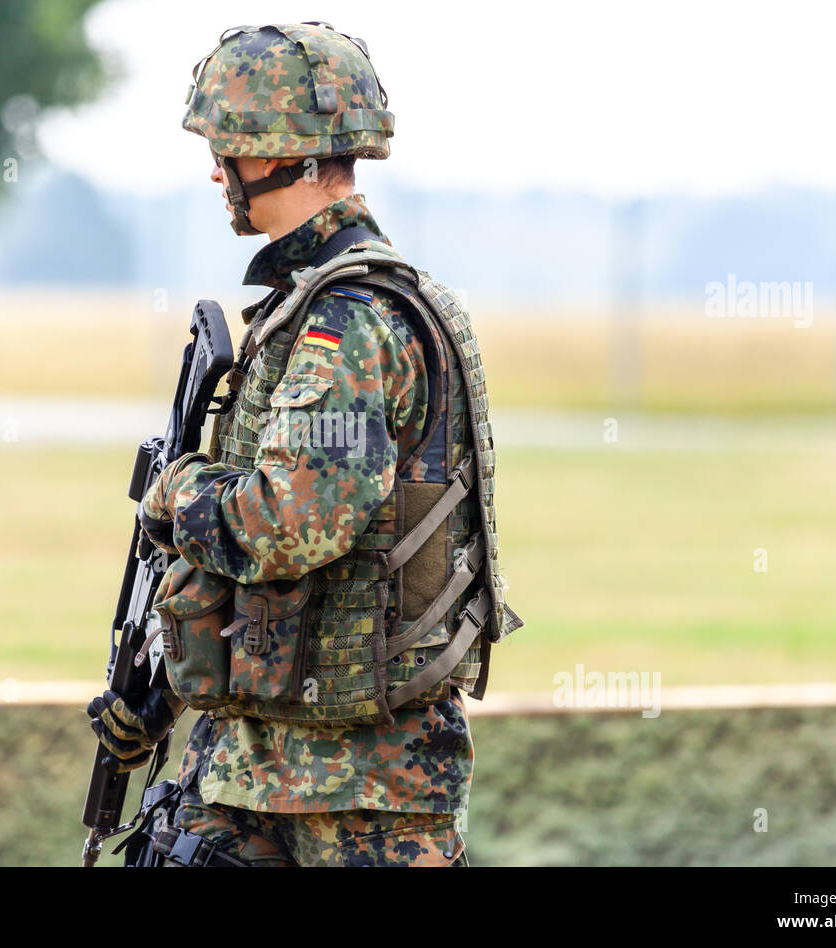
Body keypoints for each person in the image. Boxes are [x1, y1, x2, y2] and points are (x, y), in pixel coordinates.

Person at [88, 21, 519, 867]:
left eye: (228, 149)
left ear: (277, 151)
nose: (217, 171)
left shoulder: (352, 324)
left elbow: (286, 525)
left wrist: (177, 492)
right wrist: (160, 698)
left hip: (361, 793)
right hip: (253, 768)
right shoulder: (311, 309)